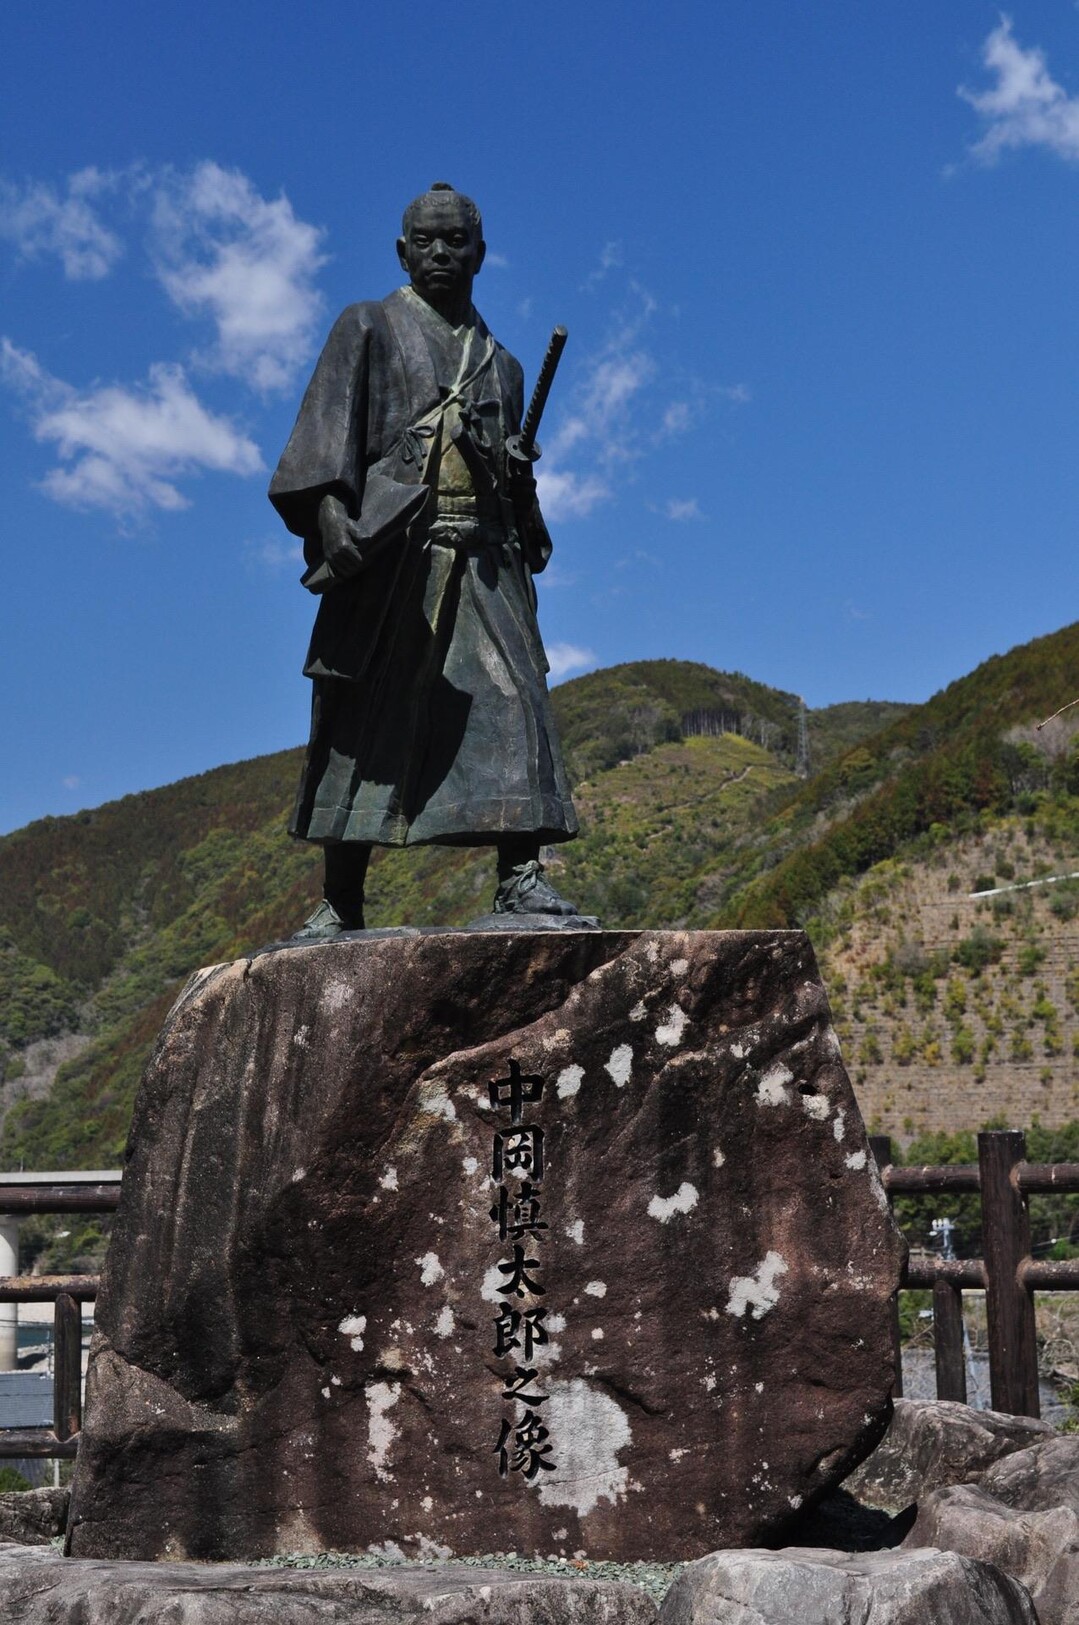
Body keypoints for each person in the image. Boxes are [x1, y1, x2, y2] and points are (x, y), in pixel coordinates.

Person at [269, 183, 582, 937]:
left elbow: (514, 493)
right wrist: (331, 515)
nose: (440, 252)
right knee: (361, 718)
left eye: (455, 241)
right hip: (393, 554)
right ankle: (341, 899)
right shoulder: (368, 326)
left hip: (484, 560)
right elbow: (323, 441)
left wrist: (517, 478)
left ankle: (520, 877)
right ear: (401, 252)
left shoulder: (503, 366)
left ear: (480, 253)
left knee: (515, 704)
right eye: (425, 241)